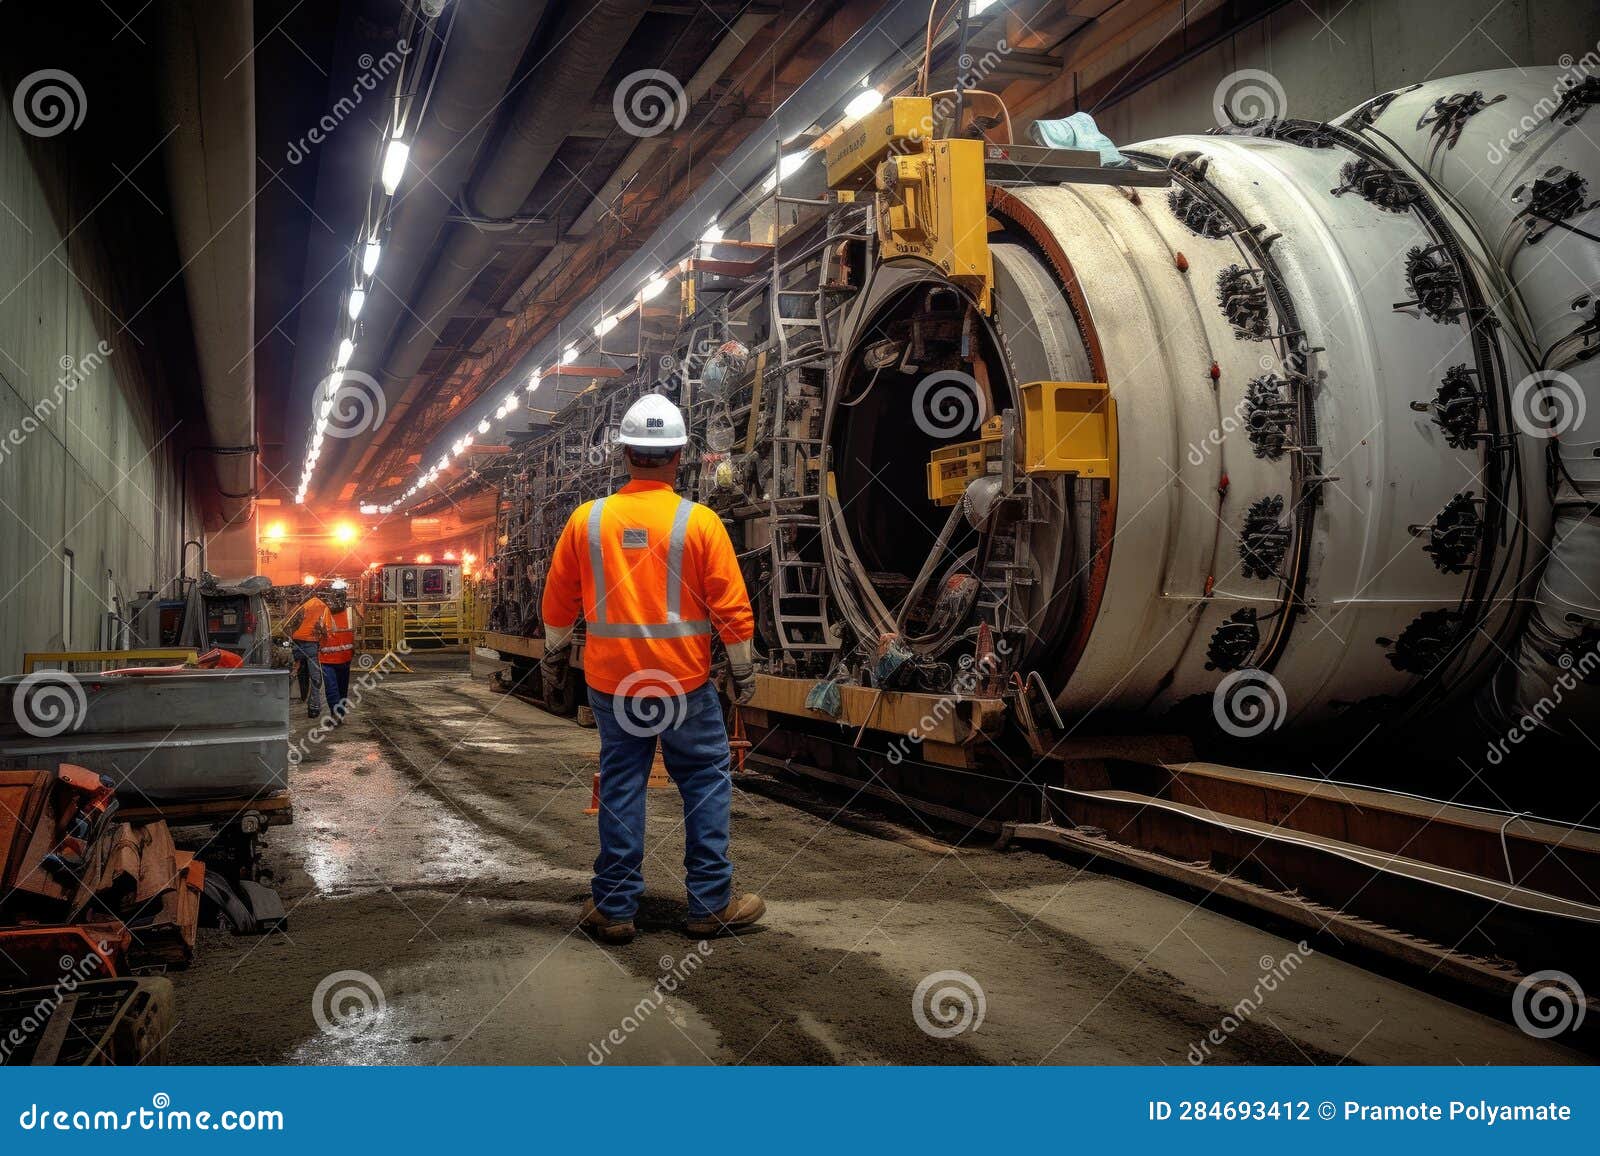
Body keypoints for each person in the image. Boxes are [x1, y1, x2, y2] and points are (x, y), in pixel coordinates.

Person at [541, 393, 762, 944]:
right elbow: (731, 607)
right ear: (680, 455)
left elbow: (557, 602)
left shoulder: (587, 521)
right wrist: (743, 670)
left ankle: (615, 908)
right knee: (705, 785)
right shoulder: (699, 523)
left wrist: (552, 656)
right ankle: (709, 904)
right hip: (683, 683)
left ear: (624, 455)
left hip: (614, 685)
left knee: (622, 784)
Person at [317, 580, 360, 721]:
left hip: (330, 658)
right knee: (340, 688)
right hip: (341, 657)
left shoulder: (322, 611)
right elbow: (356, 631)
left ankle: (337, 712)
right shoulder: (349, 611)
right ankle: (338, 712)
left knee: (334, 688)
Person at [284, 586, 329, 718]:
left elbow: (288, 625)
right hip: (311, 646)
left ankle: (280, 704)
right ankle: (313, 708)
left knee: (291, 674)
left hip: (297, 644)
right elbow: (324, 629)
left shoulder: (301, 606)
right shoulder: (322, 606)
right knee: (315, 678)